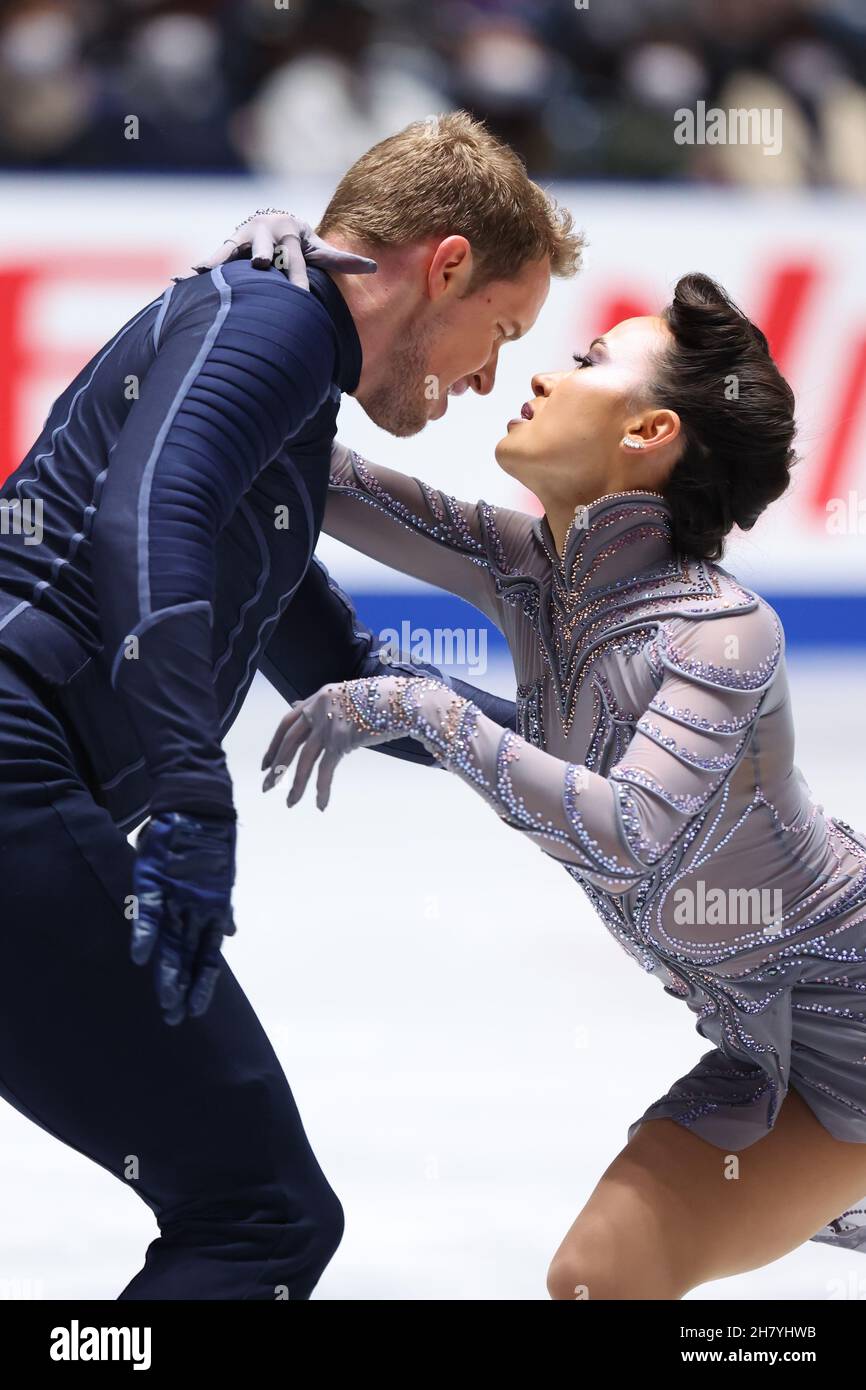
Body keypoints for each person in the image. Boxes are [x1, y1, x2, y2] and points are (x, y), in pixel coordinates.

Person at [0, 113, 578, 1299]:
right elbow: (144, 520)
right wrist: (189, 799)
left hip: (30, 792)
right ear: (446, 263)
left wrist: (582, 753)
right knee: (258, 1217)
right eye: (498, 334)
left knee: (253, 1208)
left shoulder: (286, 371)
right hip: (15, 769)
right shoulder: (268, 321)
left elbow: (335, 672)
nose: (481, 379)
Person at [263, 274, 866, 1298]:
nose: (543, 370)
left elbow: (628, 830)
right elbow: (315, 476)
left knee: (601, 1277)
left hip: (849, 1015)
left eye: (586, 362)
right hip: (750, 1028)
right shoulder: (529, 569)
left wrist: (425, 708)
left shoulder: (721, 634)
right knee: (598, 1279)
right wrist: (278, 298)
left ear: (649, 431)